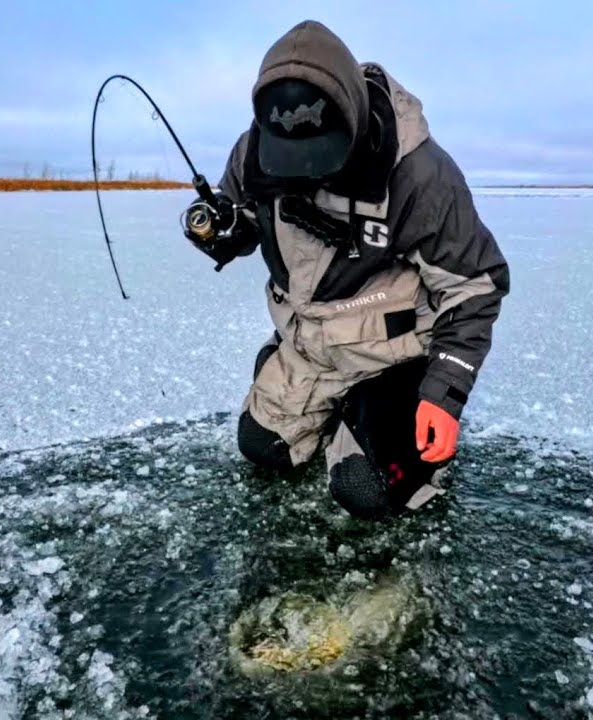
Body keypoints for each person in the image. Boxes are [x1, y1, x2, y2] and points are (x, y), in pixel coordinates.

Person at [183, 20, 508, 521]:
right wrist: (224, 229)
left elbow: (474, 286)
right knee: (261, 447)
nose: (307, 172)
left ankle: (383, 410)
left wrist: (444, 394)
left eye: (320, 158)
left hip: (392, 353)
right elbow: (247, 216)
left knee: (365, 491)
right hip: (309, 342)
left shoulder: (419, 174)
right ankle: (299, 382)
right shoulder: (253, 153)